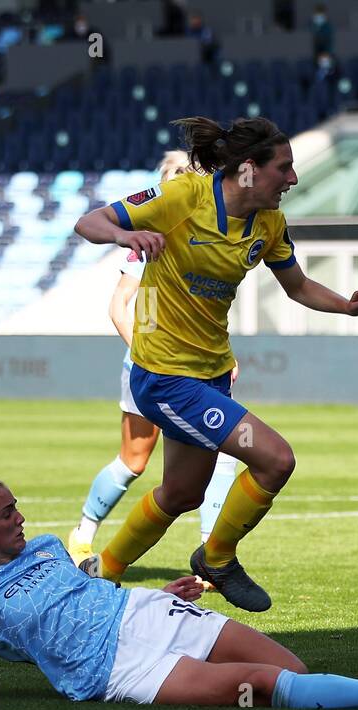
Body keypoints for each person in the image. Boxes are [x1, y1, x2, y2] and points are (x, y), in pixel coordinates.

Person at [73, 116, 358, 612]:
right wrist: (125, 237)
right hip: (166, 377)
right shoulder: (185, 197)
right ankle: (217, 556)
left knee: (181, 494)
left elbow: (299, 287)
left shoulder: (268, 224)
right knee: (275, 459)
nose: (293, 179)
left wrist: (348, 305)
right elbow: (89, 222)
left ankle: (100, 574)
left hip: (212, 374)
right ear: (248, 169)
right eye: (283, 168)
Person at [0, 480, 358, 710]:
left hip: (144, 611)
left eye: (16, 507)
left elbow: (86, 591)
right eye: (7, 513)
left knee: (293, 672)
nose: (21, 518)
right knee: (259, 684)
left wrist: (158, 592)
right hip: (114, 665)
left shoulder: (47, 547)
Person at [66, 151, 239, 569]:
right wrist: (146, 353)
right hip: (152, 369)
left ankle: (210, 555)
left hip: (195, 368)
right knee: (134, 461)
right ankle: (84, 536)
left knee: (219, 452)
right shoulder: (148, 246)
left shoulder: (205, 242)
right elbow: (119, 307)